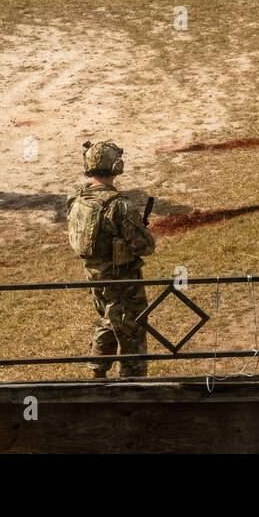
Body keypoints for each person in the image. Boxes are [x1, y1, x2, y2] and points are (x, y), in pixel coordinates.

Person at [66, 140, 157, 379]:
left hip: (94, 275)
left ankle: (97, 370)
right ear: (115, 166)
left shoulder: (76, 199)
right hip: (122, 279)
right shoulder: (119, 206)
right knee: (132, 327)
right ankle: (133, 380)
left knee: (107, 318)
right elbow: (145, 247)